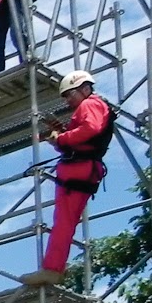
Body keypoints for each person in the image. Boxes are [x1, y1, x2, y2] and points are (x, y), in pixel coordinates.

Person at [23, 70, 113, 287]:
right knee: (65, 221)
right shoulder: (93, 106)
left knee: (63, 222)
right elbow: (86, 138)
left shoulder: (90, 104)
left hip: (79, 170)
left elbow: (90, 129)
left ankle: (52, 269)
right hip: (82, 168)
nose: (67, 100)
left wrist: (62, 139)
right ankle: (54, 267)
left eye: (69, 94)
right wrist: (62, 135)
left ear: (84, 89)